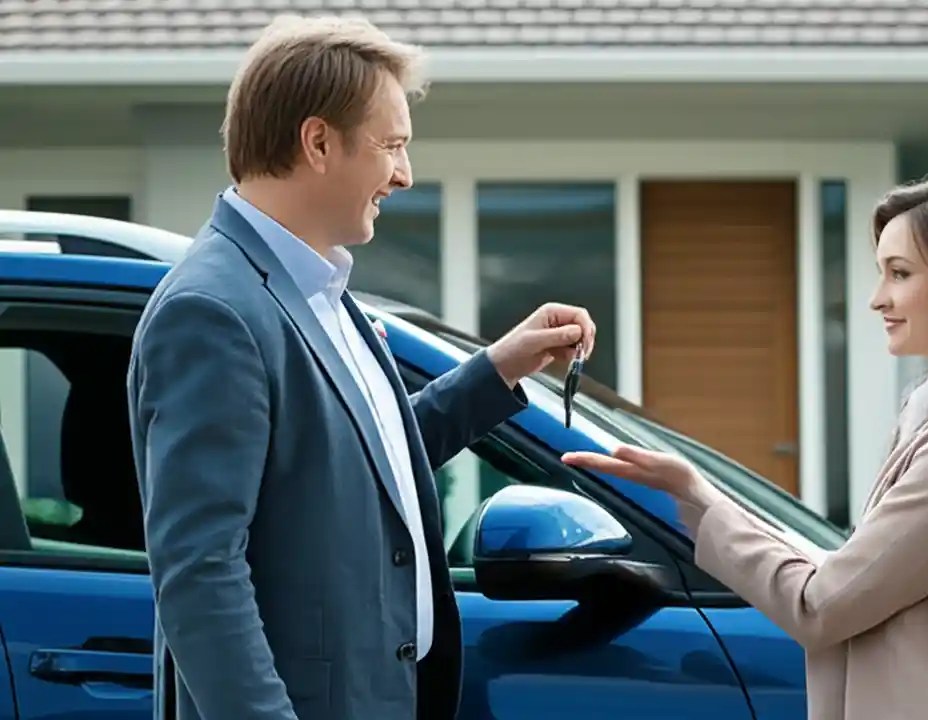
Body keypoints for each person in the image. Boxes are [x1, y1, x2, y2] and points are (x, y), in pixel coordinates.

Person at [126, 15, 595, 720]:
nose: (404, 175)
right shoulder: (214, 312)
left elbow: (362, 467)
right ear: (318, 142)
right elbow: (199, 572)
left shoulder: (313, 289)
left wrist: (499, 367)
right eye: (393, 146)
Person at [563, 169, 928, 720]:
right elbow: (853, 576)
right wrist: (698, 494)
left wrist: (697, 502)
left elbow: (821, 605)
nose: (878, 299)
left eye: (899, 274)